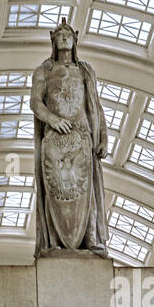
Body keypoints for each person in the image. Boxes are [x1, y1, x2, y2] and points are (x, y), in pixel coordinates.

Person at [30, 19, 109, 257]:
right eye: (59, 35)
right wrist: (53, 120)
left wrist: (102, 135)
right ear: (53, 39)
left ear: (75, 39)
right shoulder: (45, 70)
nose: (64, 38)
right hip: (55, 140)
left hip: (82, 137)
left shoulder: (85, 70)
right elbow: (35, 102)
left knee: (87, 191)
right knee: (55, 189)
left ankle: (91, 238)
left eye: (68, 34)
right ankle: (54, 240)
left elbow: (95, 105)